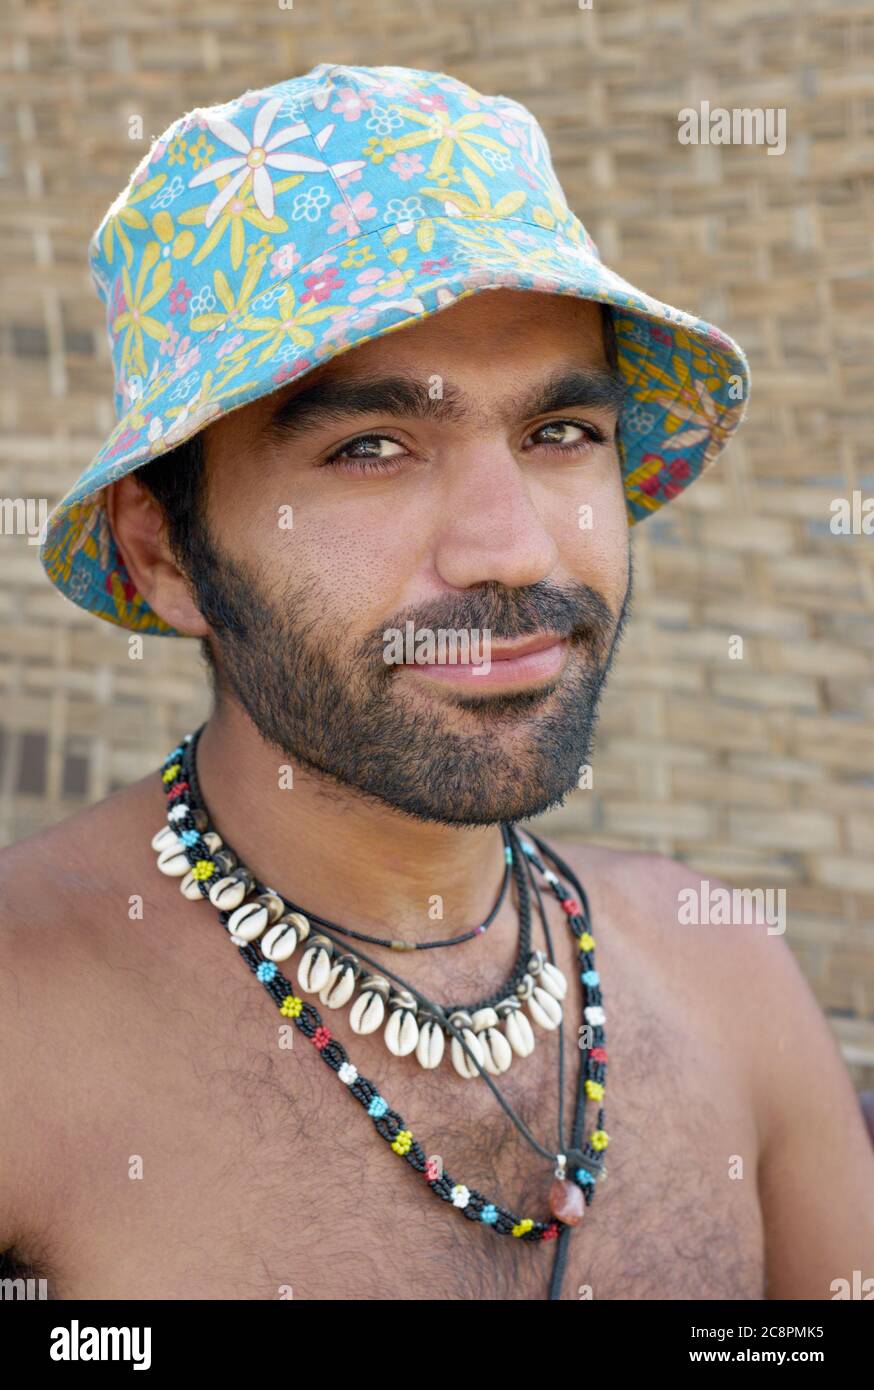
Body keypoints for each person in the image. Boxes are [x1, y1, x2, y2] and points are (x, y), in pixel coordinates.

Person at [2, 63, 872, 1301]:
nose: (510, 547)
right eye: (371, 447)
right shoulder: (24, 1036)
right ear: (163, 552)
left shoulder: (725, 976)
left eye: (558, 433)